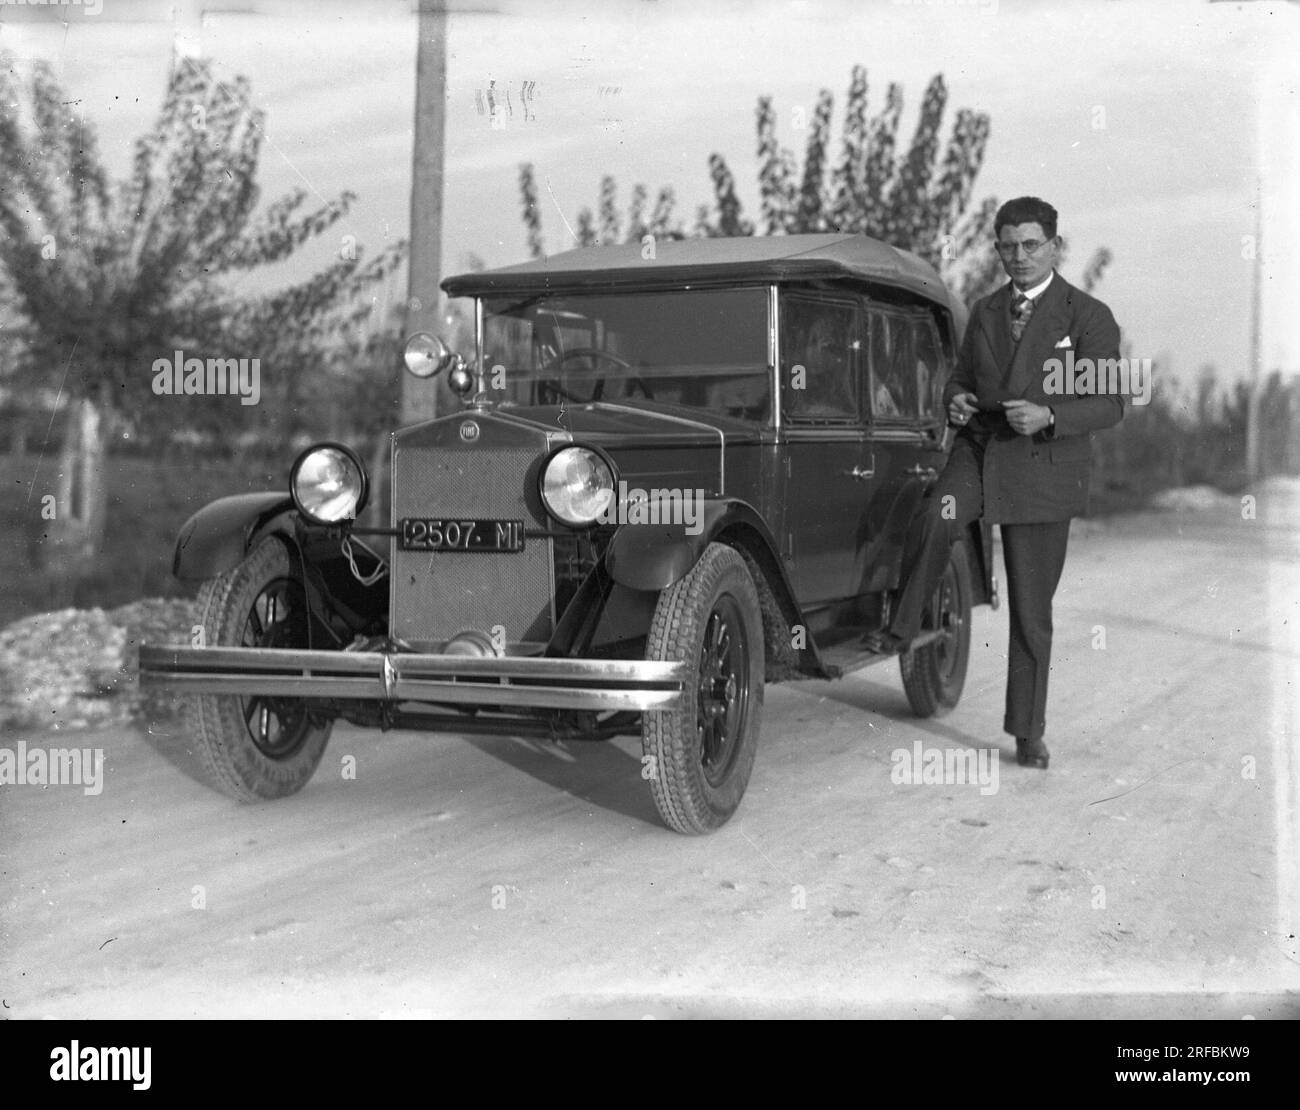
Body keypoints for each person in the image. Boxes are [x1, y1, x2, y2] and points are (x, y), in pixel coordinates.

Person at [872, 196, 1124, 769]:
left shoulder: (1088, 316)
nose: (1019, 257)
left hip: (1043, 465)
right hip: (981, 449)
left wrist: (1051, 416)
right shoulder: (985, 310)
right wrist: (954, 401)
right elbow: (958, 381)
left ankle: (1027, 732)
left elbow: (1111, 403)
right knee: (937, 514)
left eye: (1031, 245)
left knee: (1031, 612)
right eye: (1007, 246)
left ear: (1055, 247)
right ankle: (906, 627)